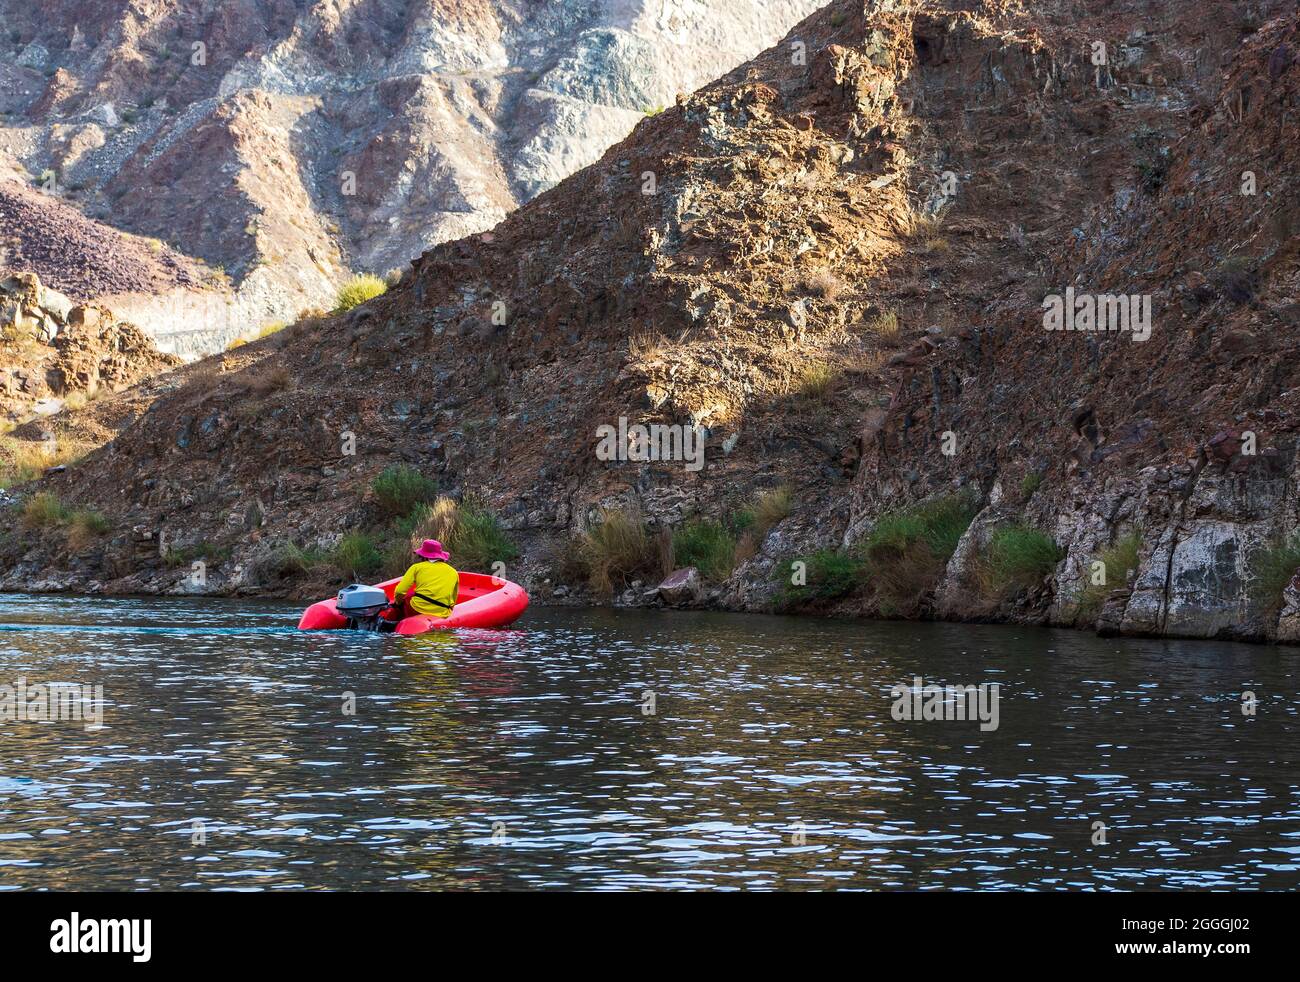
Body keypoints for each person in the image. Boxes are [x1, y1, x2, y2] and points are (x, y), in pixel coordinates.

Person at [392, 540, 460, 619]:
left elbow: (400, 591)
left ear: (423, 556)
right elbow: (453, 599)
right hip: (442, 611)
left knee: (407, 598)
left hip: (417, 608)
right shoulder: (453, 572)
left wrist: (398, 603)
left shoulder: (416, 567)